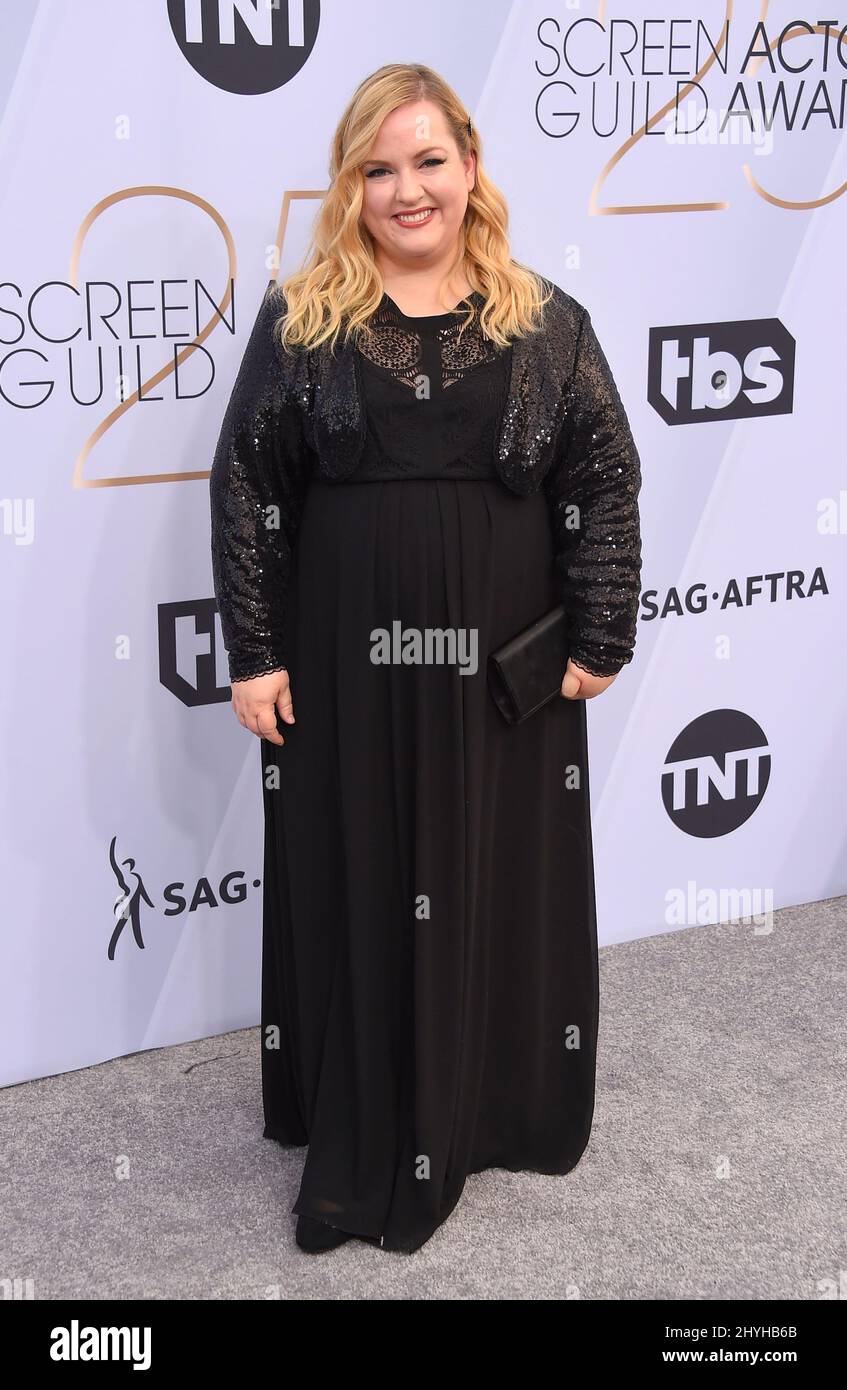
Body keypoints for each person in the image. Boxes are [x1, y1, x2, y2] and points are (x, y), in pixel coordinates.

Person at [209, 62, 642, 1255]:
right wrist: (254, 650)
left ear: (470, 166)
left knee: (492, 869)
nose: (408, 190)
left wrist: (598, 631)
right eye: (379, 168)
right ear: (352, 187)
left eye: (428, 160)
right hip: (344, 661)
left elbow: (602, 477)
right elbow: (247, 482)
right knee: (359, 866)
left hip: (504, 671)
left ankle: (489, 1103)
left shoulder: (547, 320)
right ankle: (363, 1111)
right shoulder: (303, 319)